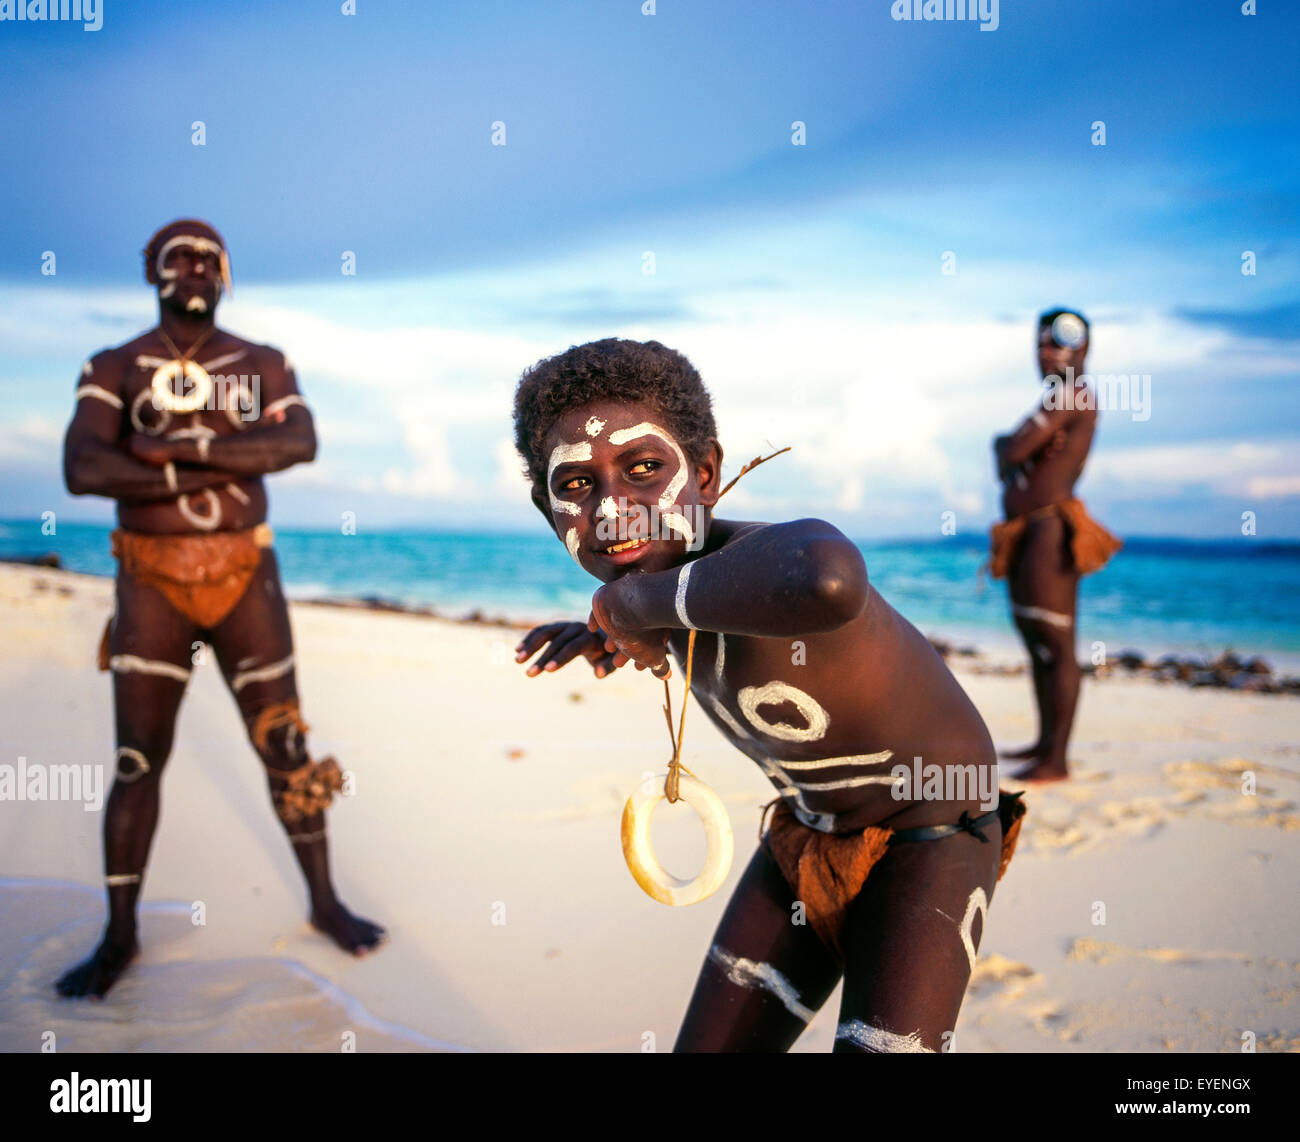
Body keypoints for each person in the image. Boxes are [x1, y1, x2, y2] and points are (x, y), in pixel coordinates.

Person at [513, 338, 1025, 1052]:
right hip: (803, 834)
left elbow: (829, 576)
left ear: (708, 473)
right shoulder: (657, 602)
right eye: (575, 486)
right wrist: (611, 628)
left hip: (932, 838)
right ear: (548, 510)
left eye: (644, 468)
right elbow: (665, 619)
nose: (613, 506)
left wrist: (634, 607)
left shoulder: (753, 567)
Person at [57, 218, 384, 999]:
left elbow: (299, 442)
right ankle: (119, 935)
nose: (196, 267)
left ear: (226, 275)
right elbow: (81, 466)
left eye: (210, 258)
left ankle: (326, 902)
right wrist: (225, 462)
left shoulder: (263, 362)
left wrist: (173, 452)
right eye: (179, 258)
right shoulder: (114, 364)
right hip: (151, 578)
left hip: (246, 575)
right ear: (153, 272)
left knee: (284, 745)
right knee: (138, 760)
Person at [990, 309, 1123, 783]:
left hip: (1049, 532)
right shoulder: (1058, 398)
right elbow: (1011, 450)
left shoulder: (1073, 394)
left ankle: (1056, 759)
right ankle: (1045, 744)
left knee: (1055, 642)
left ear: (1082, 350)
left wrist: (1005, 449)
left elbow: (1010, 451)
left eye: (1059, 343)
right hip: (1030, 531)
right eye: (1042, 342)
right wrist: (1006, 449)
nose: (1047, 352)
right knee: (1037, 642)